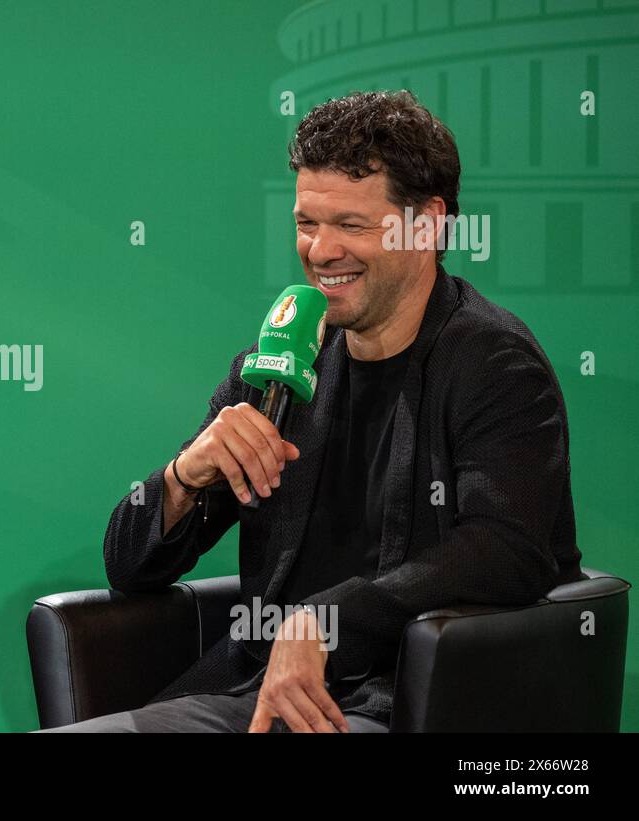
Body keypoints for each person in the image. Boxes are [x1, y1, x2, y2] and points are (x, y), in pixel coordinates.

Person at [44, 90, 582, 733]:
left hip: (404, 705)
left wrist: (326, 622)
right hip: (251, 690)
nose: (321, 251)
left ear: (428, 223)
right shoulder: (281, 360)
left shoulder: (493, 362)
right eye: (306, 223)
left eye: (351, 225)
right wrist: (185, 477)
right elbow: (129, 567)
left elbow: (505, 550)